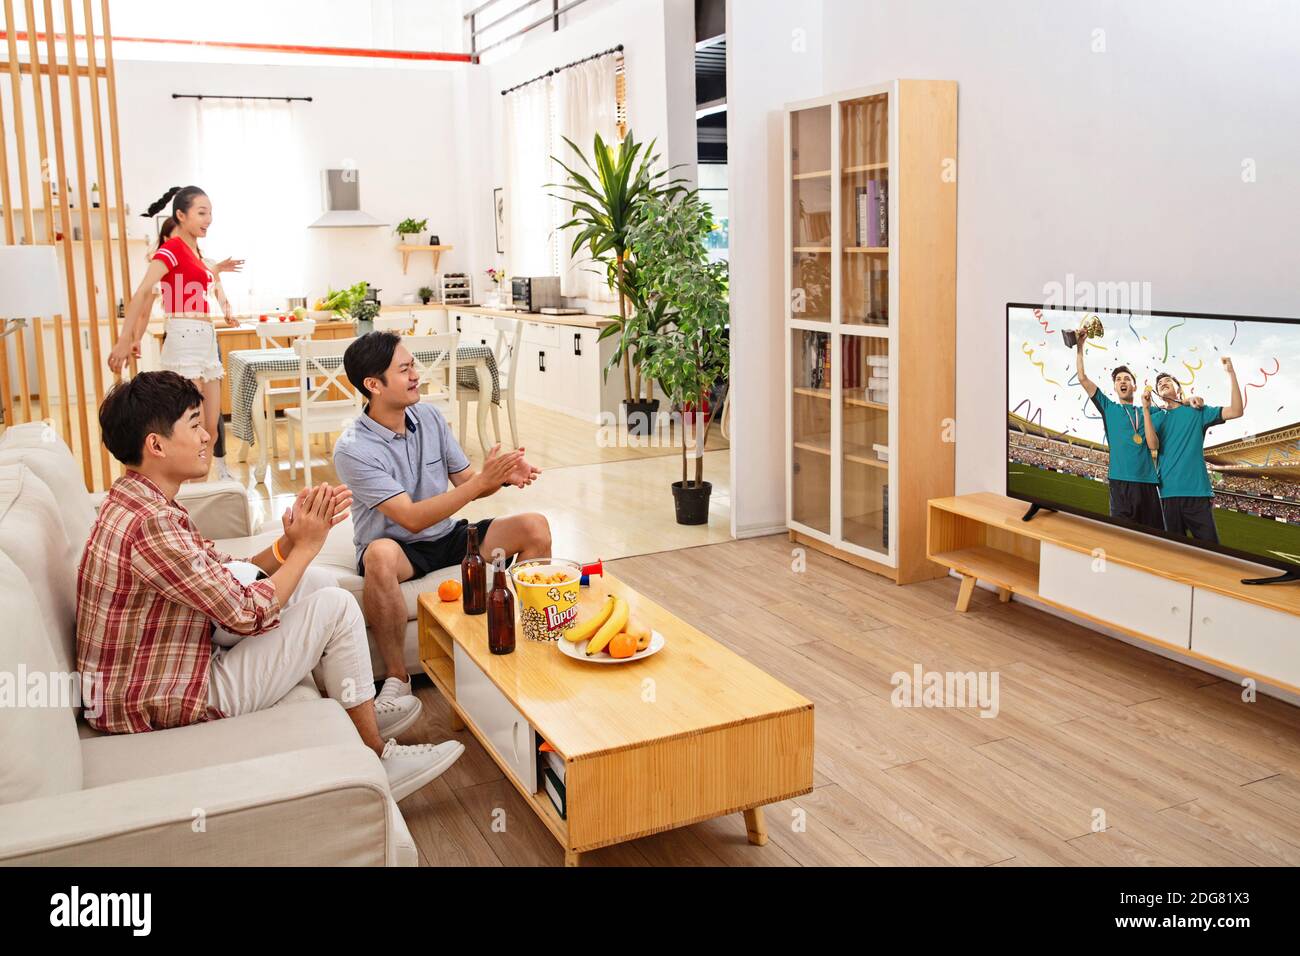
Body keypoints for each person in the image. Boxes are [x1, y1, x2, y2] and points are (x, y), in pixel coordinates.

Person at [77, 371, 463, 800]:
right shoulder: (151, 523)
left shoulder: (140, 501)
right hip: (167, 694)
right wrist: (308, 546)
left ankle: (359, 710)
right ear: (156, 445)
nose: (208, 436)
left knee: (314, 581)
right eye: (195, 425)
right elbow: (245, 613)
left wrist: (289, 543)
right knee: (332, 605)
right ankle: (376, 759)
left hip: (167, 669)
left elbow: (225, 570)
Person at [332, 332, 548, 708]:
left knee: (535, 526)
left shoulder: (429, 417)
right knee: (378, 556)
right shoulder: (353, 448)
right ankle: (398, 678)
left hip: (449, 536)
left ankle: (519, 639)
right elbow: (411, 519)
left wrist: (500, 475)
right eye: (404, 369)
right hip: (399, 547)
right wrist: (482, 480)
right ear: (373, 385)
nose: (416, 374)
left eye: (413, 365)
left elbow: (467, 485)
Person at [108, 186, 238, 481]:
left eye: (211, 213)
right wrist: (125, 340)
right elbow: (142, 293)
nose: (209, 219)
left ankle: (208, 492)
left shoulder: (194, 252)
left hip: (205, 339)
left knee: (211, 430)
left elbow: (208, 281)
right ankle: (190, 494)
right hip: (184, 340)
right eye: (202, 213)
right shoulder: (171, 249)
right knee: (194, 429)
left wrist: (220, 282)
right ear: (181, 215)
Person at [1075, 332, 1165, 530]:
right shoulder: (1109, 408)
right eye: (1118, 380)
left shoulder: (1151, 410)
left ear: (1134, 386)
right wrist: (1080, 347)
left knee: (1156, 541)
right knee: (1121, 538)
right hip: (1120, 485)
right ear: (1115, 387)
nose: (1122, 381)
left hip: (1148, 484)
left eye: (1127, 379)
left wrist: (1187, 401)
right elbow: (1082, 378)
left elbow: (1173, 409)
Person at [1148, 357, 1243, 544]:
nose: (1162, 383)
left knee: (1212, 554)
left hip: (1197, 494)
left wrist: (1231, 373)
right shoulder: (1156, 417)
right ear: (1158, 394)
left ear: (1178, 389)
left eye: (1167, 381)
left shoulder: (1197, 411)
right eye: (1159, 384)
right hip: (1168, 495)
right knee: (1174, 555)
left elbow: (1236, 410)